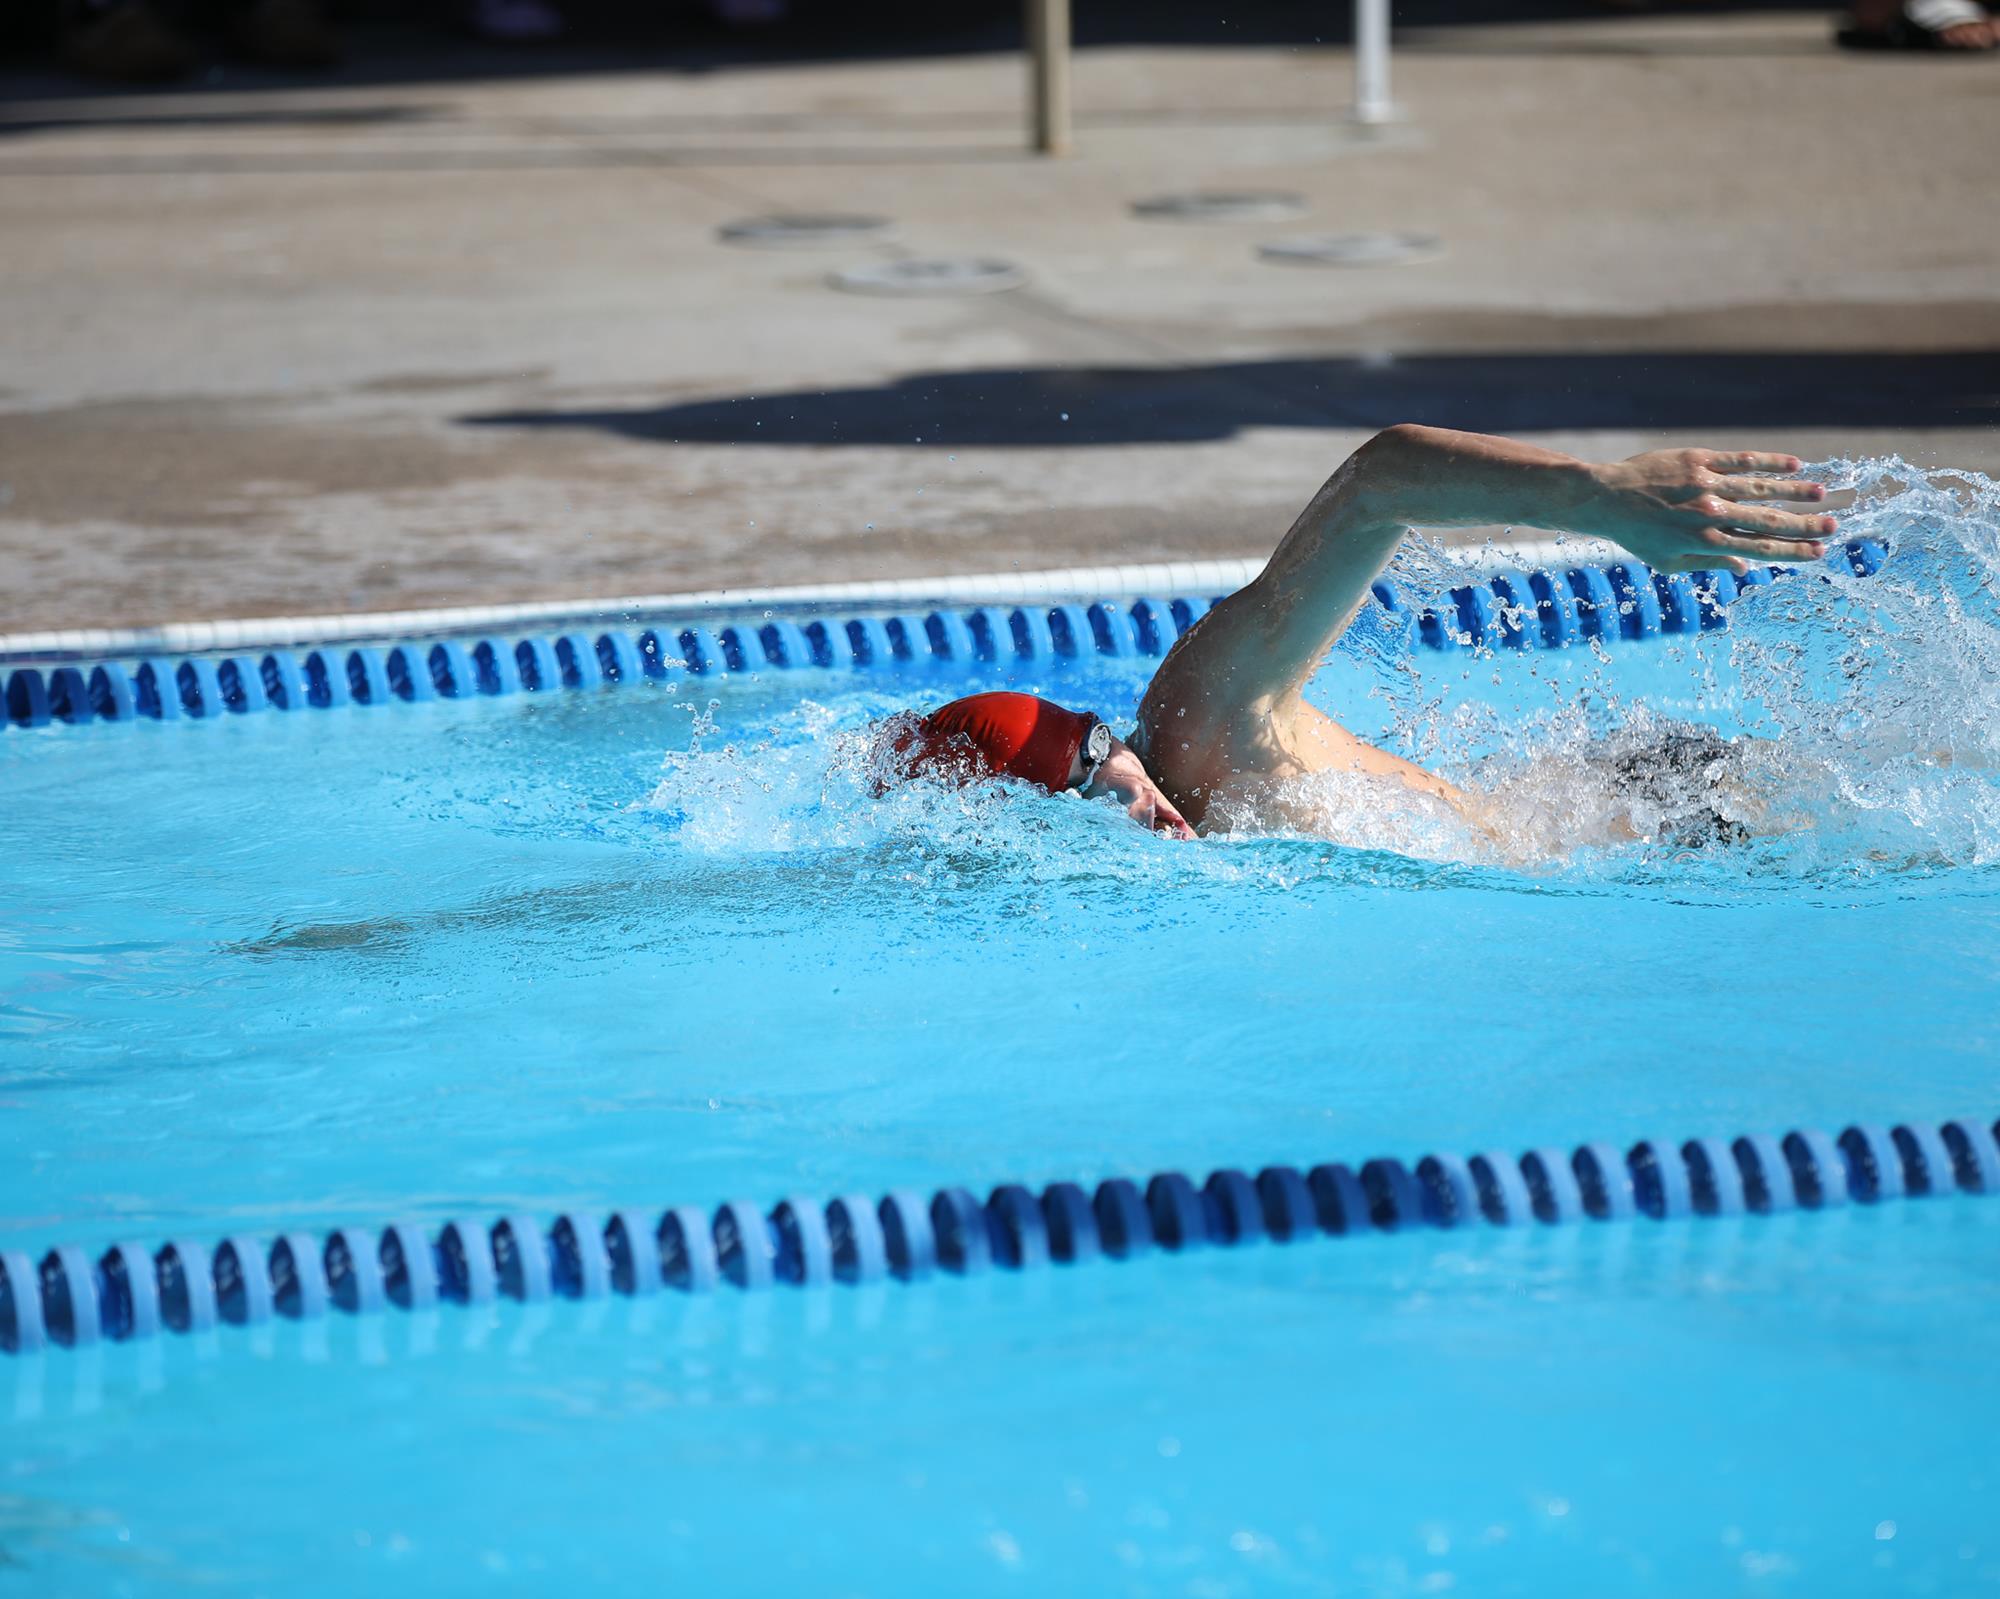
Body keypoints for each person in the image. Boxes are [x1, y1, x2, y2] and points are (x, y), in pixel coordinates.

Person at [882, 425, 1838, 851]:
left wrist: (1595, 496)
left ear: (1106, 738)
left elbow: (1381, 481)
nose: (1129, 814)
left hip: (1666, 815)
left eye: (1101, 772)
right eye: (1081, 811)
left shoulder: (1198, 719)